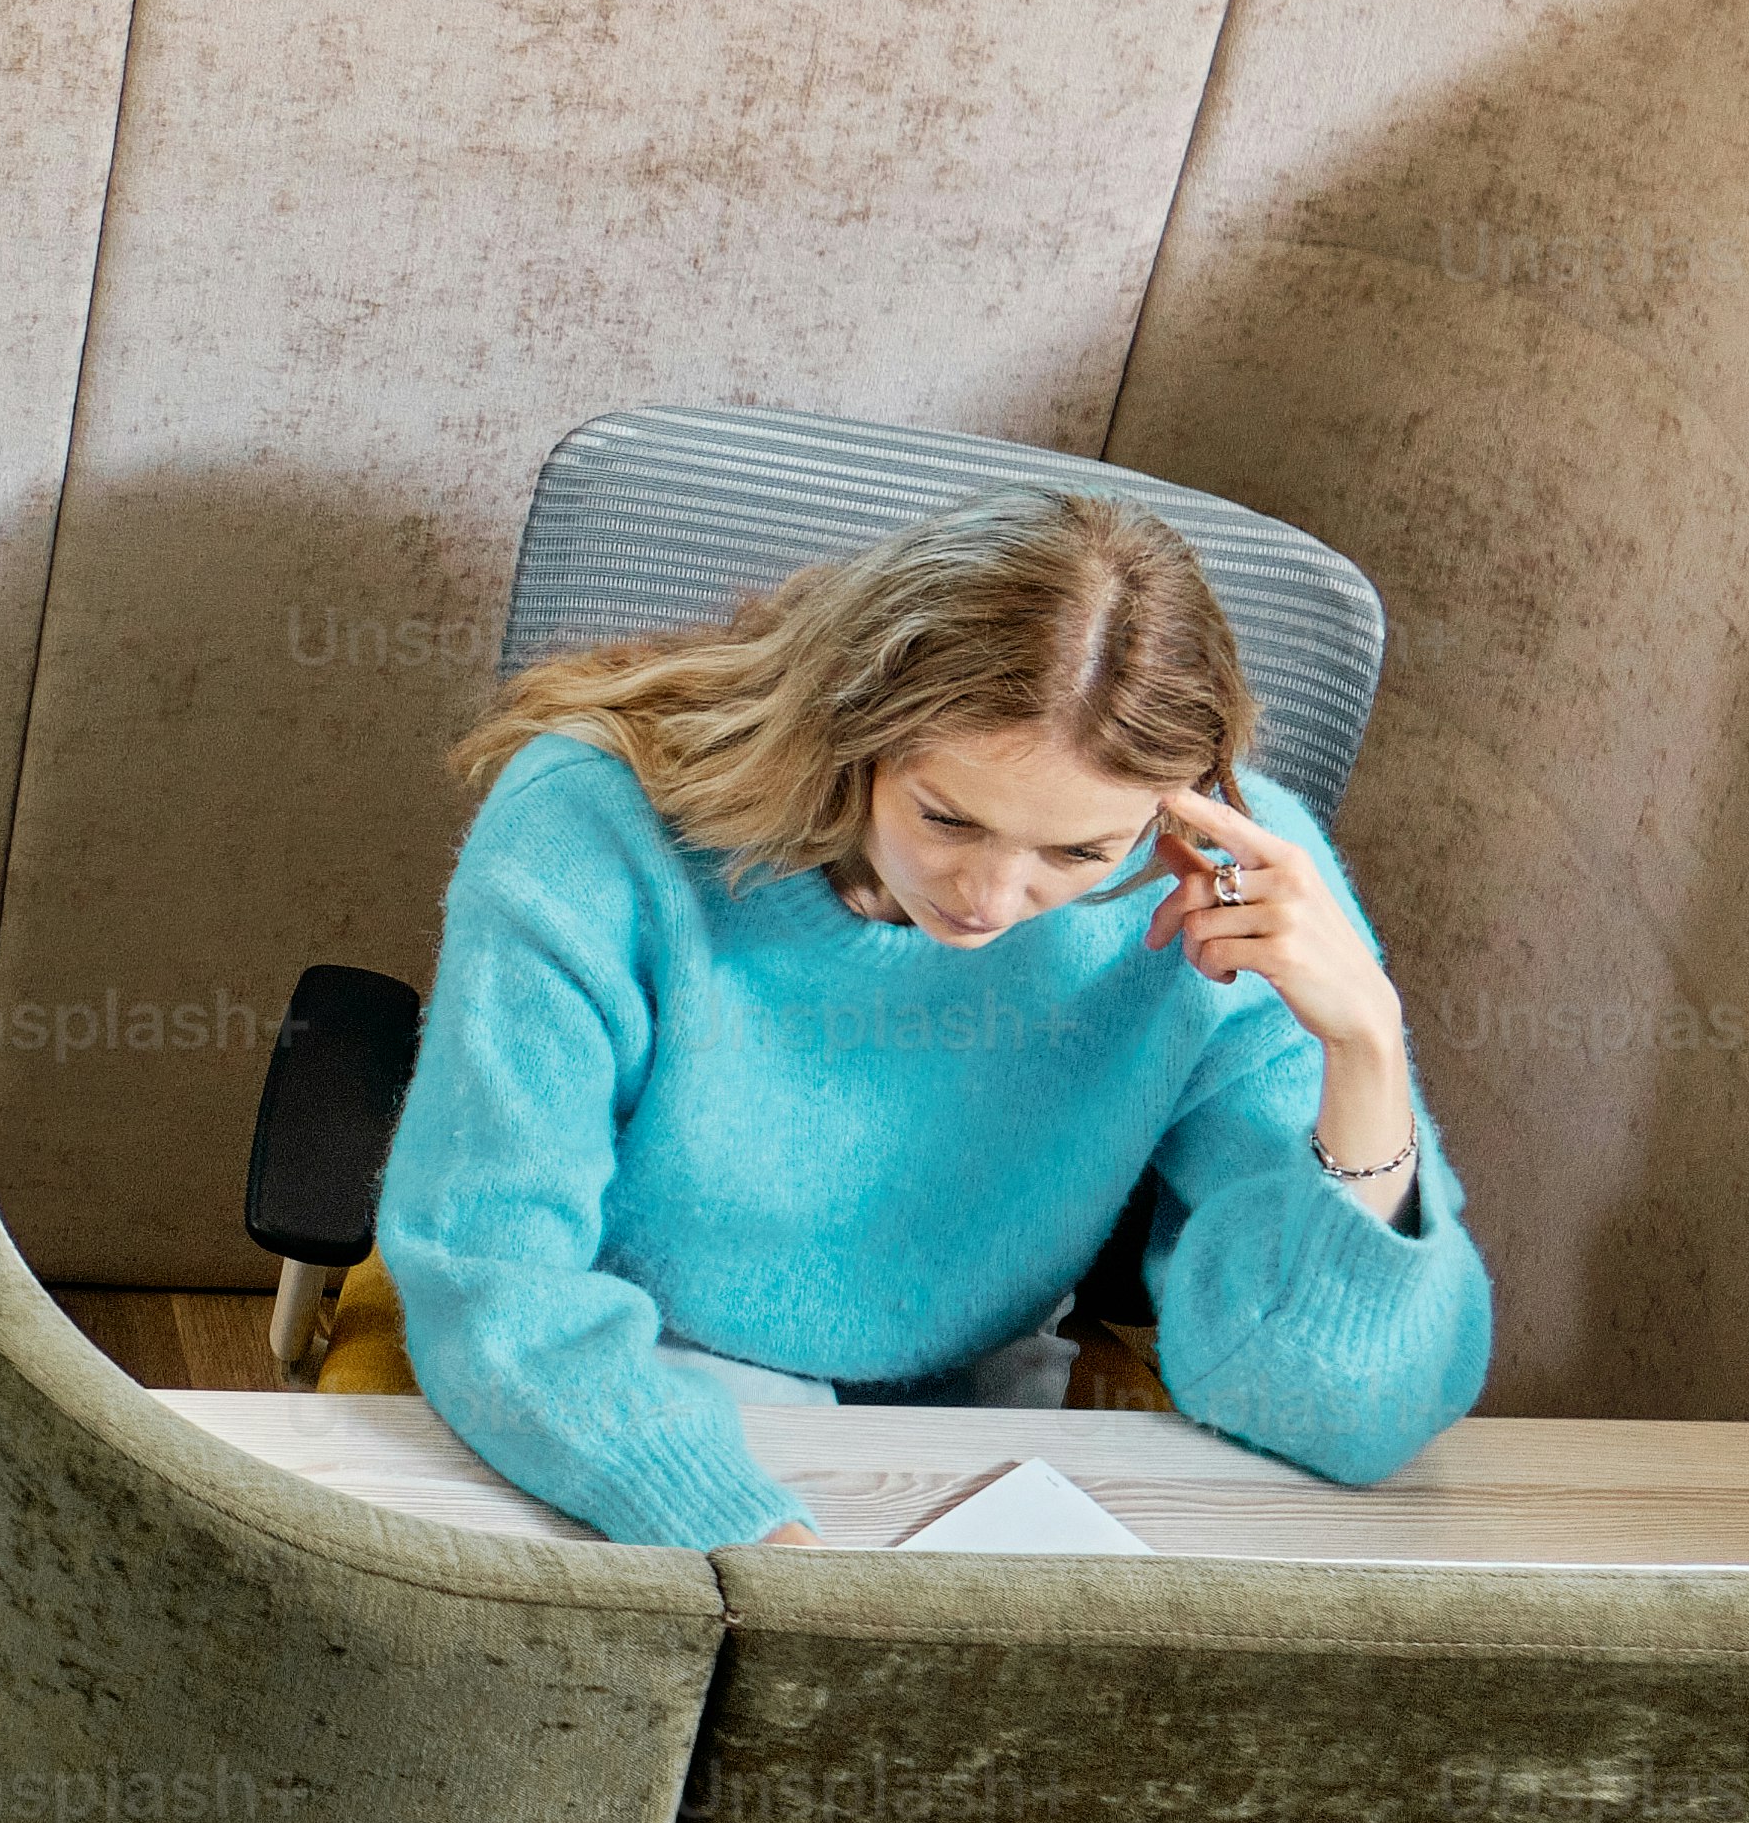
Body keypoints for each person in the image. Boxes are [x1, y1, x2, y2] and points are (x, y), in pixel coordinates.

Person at [356, 491, 1486, 1550]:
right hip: (630, 1375)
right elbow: (491, 1270)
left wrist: (1364, 1050)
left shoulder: (1226, 880)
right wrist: (728, 1524)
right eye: (948, 818)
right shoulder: (591, 824)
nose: (989, 897)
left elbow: (1338, 1416)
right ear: (852, 727)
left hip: (971, 1408)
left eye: (1078, 851)